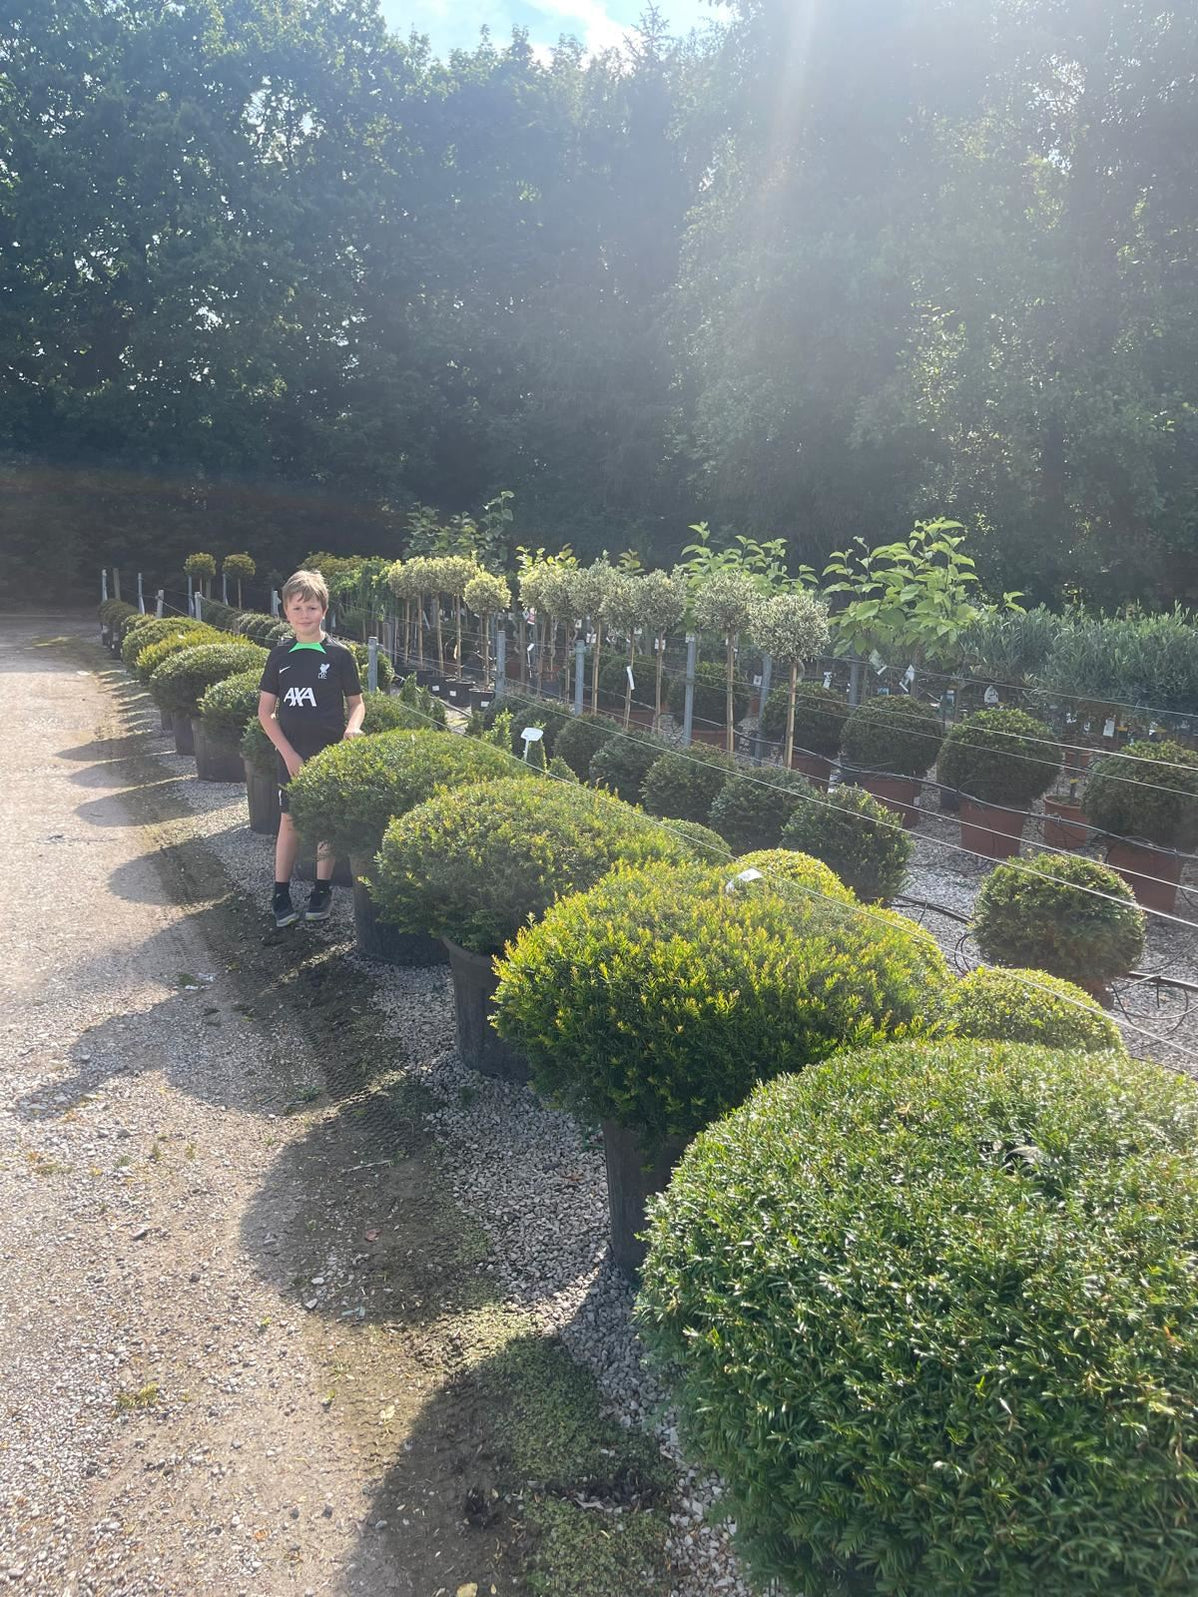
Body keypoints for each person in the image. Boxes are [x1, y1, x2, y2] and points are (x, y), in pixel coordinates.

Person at [257, 570, 364, 927]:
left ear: (324, 610)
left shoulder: (339, 655)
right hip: (291, 753)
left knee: (326, 822)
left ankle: (322, 888)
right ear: (285, 611)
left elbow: (357, 702)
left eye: (312, 607)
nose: (305, 614)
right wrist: (287, 753)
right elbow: (265, 712)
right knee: (289, 820)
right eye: (298, 607)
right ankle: (280, 891)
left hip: (330, 753)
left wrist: (353, 727)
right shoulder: (279, 656)